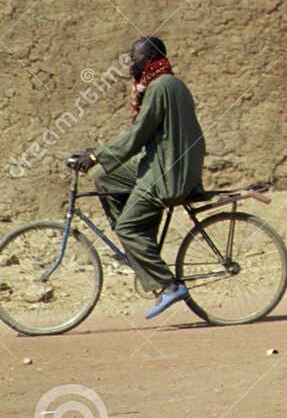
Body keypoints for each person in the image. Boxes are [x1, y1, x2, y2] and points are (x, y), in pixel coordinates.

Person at [72, 36, 206, 319]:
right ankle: (143, 248)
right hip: (168, 164)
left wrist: (96, 155)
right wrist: (101, 158)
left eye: (135, 58)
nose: (130, 63)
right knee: (106, 180)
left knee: (127, 228)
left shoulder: (160, 88)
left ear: (150, 60)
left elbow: (138, 136)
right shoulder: (172, 84)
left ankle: (169, 285)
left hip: (167, 173)